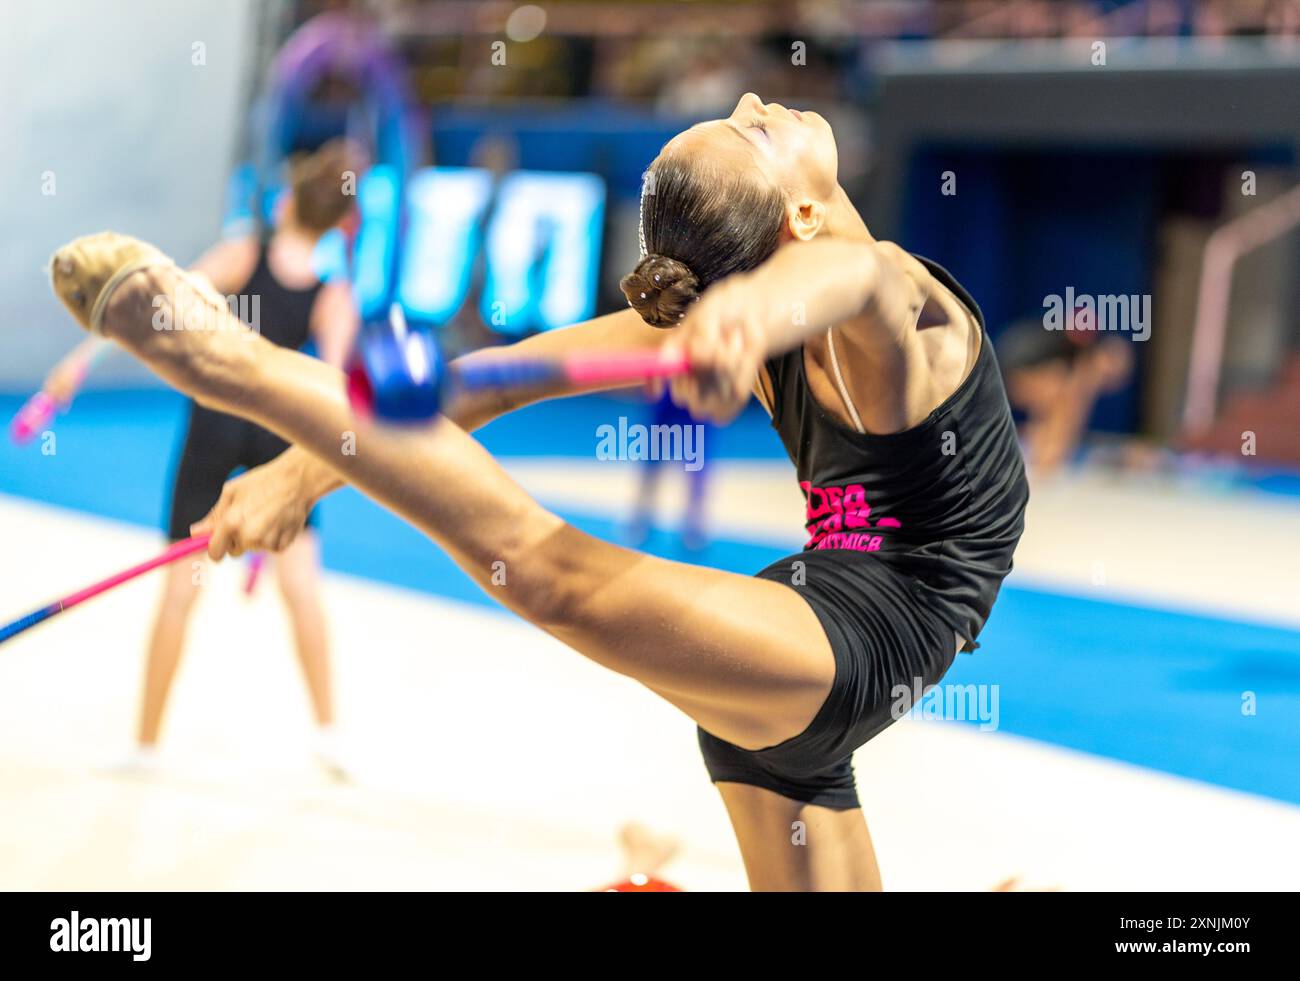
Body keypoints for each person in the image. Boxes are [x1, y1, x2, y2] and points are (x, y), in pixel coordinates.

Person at [50, 93, 1028, 890]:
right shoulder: (792, 289)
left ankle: (244, 371)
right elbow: (485, 382)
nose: (751, 96)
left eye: (746, 123)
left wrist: (748, 313)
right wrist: (294, 473)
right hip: (840, 641)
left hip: (812, 660)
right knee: (556, 575)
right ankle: (235, 365)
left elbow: (843, 280)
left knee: (558, 578)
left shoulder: (879, 296)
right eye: (751, 127)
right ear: (798, 214)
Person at [42, 139, 362, 776]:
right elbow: (334, 397)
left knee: (180, 592)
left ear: (289, 200)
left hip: (216, 426)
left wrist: (77, 362)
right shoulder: (334, 295)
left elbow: (151, 303)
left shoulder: (247, 253)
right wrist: (309, 476)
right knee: (302, 591)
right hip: (280, 438)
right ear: (342, 225)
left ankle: (145, 745)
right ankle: (329, 734)